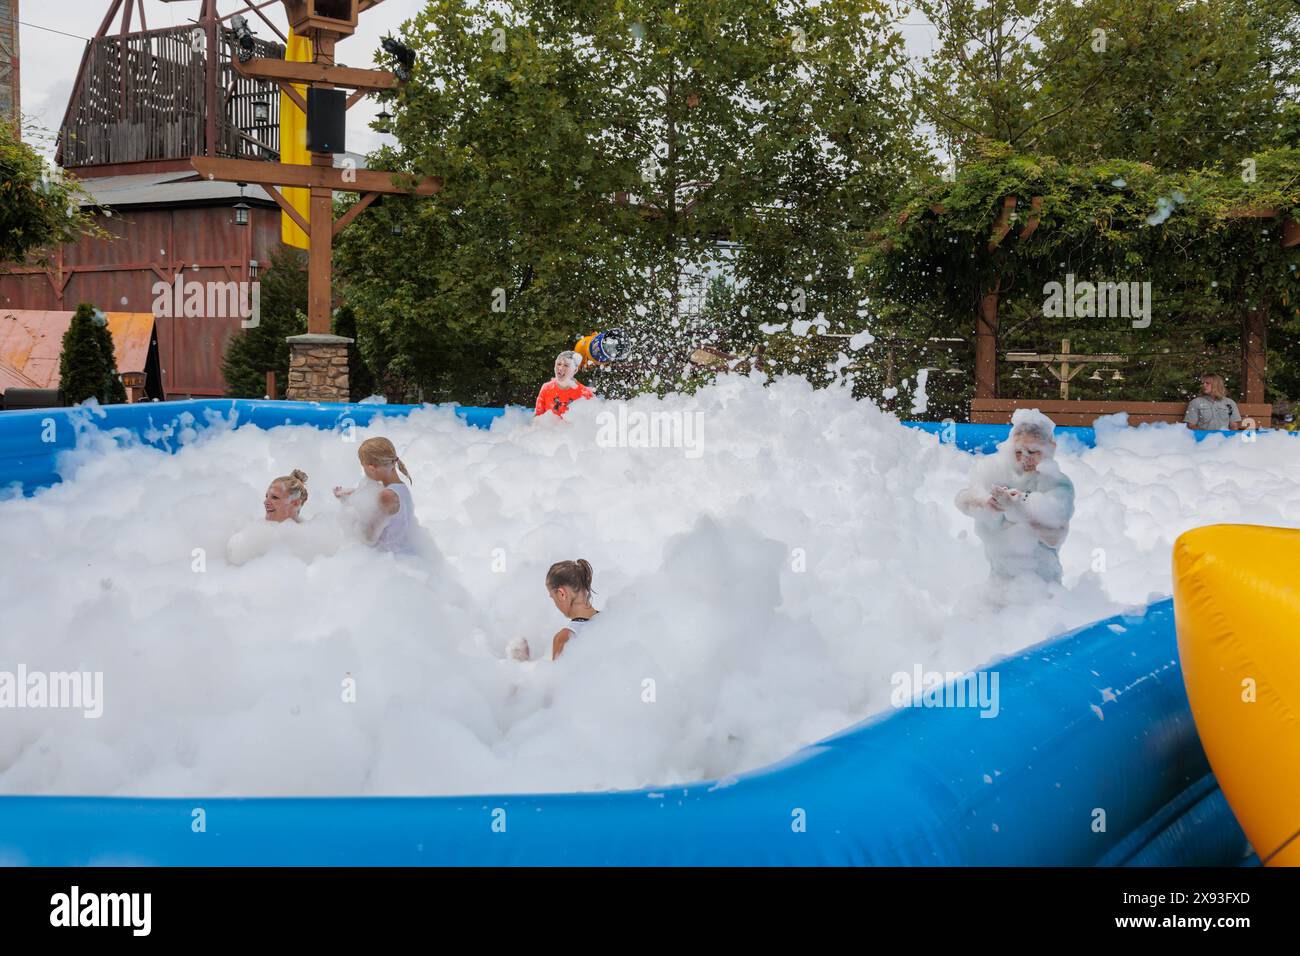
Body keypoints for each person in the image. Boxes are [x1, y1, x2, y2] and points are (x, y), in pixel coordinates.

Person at [954, 409, 1075, 590]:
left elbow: (1055, 536)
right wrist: (986, 503)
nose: (1025, 458)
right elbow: (963, 499)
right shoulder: (995, 471)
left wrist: (1019, 509)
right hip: (998, 586)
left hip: (1043, 589)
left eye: (1033, 451)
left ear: (1050, 449)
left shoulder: (1057, 483)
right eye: (1018, 451)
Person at [333, 437, 416, 553]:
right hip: (404, 554)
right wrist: (348, 496)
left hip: (389, 560)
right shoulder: (401, 488)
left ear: (372, 468)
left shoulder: (387, 496)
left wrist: (351, 520)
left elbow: (369, 537)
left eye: (363, 467)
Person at [507, 559, 600, 661]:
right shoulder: (611, 620)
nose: (556, 604)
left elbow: (560, 676)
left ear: (561, 594)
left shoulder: (565, 638)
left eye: (553, 598)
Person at [534, 351, 594, 418]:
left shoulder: (585, 393)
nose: (560, 368)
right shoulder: (546, 388)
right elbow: (537, 419)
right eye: (558, 364)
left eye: (566, 365)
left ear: (575, 370)